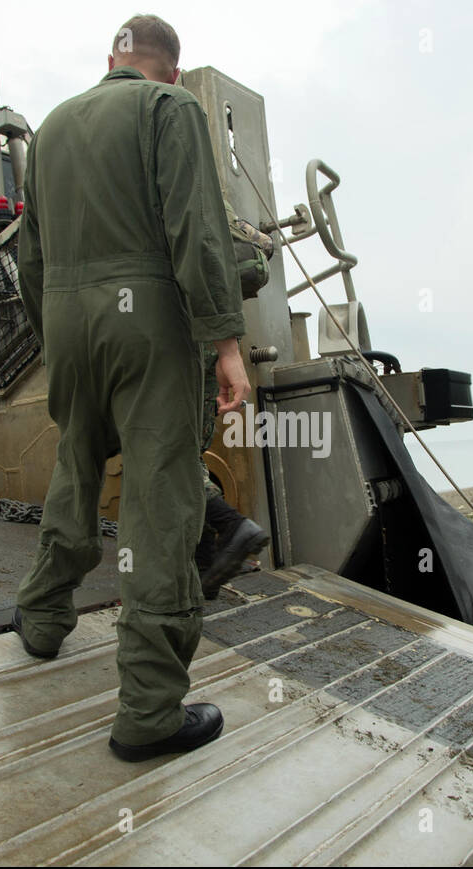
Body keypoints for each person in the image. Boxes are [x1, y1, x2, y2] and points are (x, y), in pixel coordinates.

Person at [14, 14, 250, 763]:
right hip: (146, 321)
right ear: (172, 71)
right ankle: (149, 712)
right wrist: (226, 343)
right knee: (160, 503)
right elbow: (197, 232)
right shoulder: (170, 109)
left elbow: (30, 256)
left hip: (67, 323)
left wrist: (57, 330)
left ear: (109, 61)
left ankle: (43, 618)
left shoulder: (50, 128)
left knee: (75, 465)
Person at [195, 205, 272, 598]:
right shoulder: (213, 200)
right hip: (207, 337)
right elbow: (262, 246)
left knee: (163, 454)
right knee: (190, 451)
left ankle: (231, 526)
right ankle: (206, 570)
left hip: (183, 336)